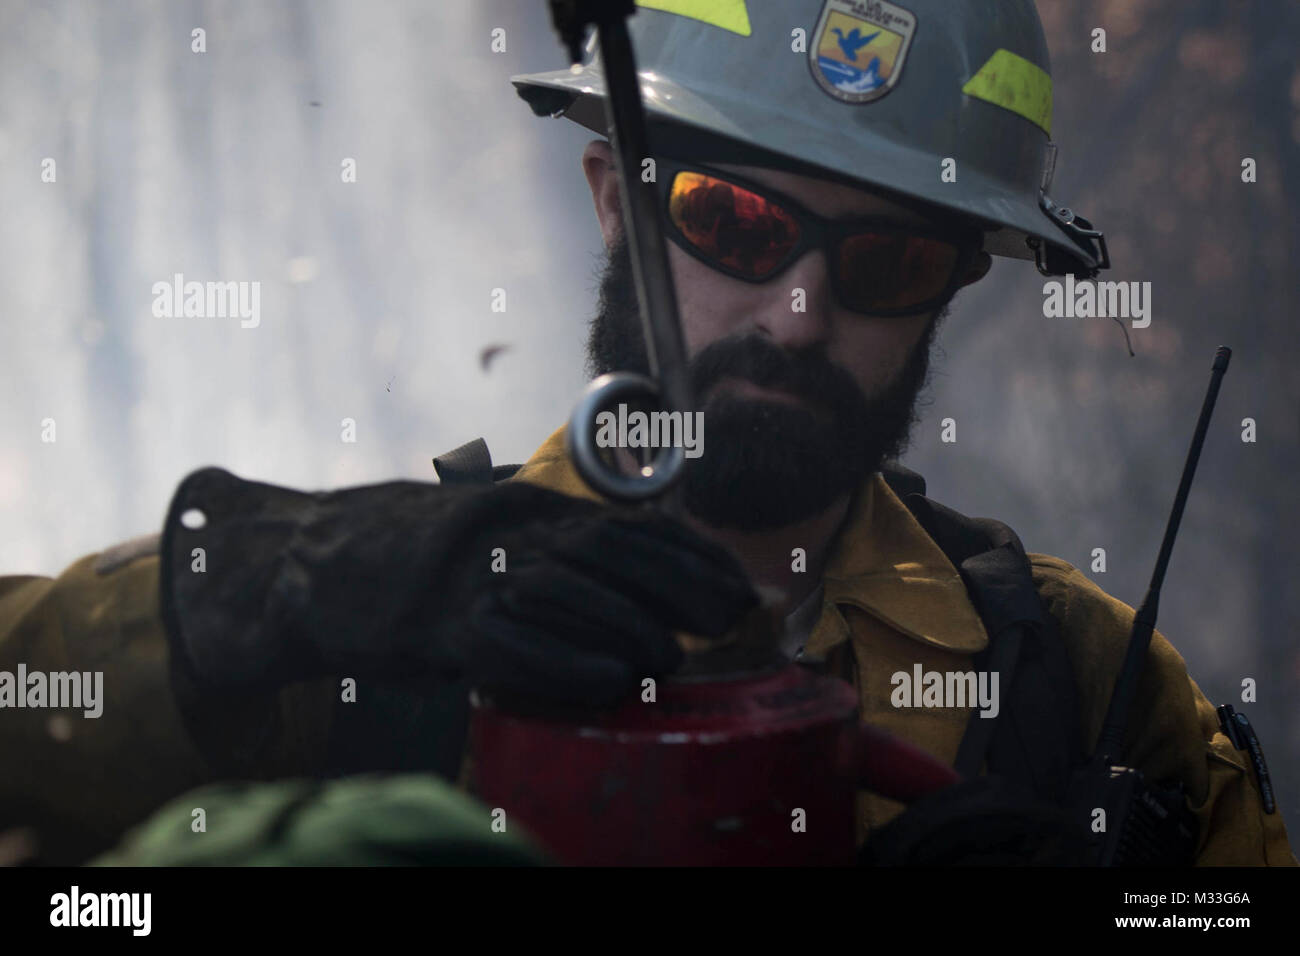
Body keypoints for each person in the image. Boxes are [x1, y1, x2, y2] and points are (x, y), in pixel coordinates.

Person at [1, 0, 1293, 866]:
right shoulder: (376, 615)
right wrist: (232, 593)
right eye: (735, 222)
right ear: (617, 199)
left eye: (889, 260)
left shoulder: (1083, 685)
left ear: (954, 286)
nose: (797, 319)